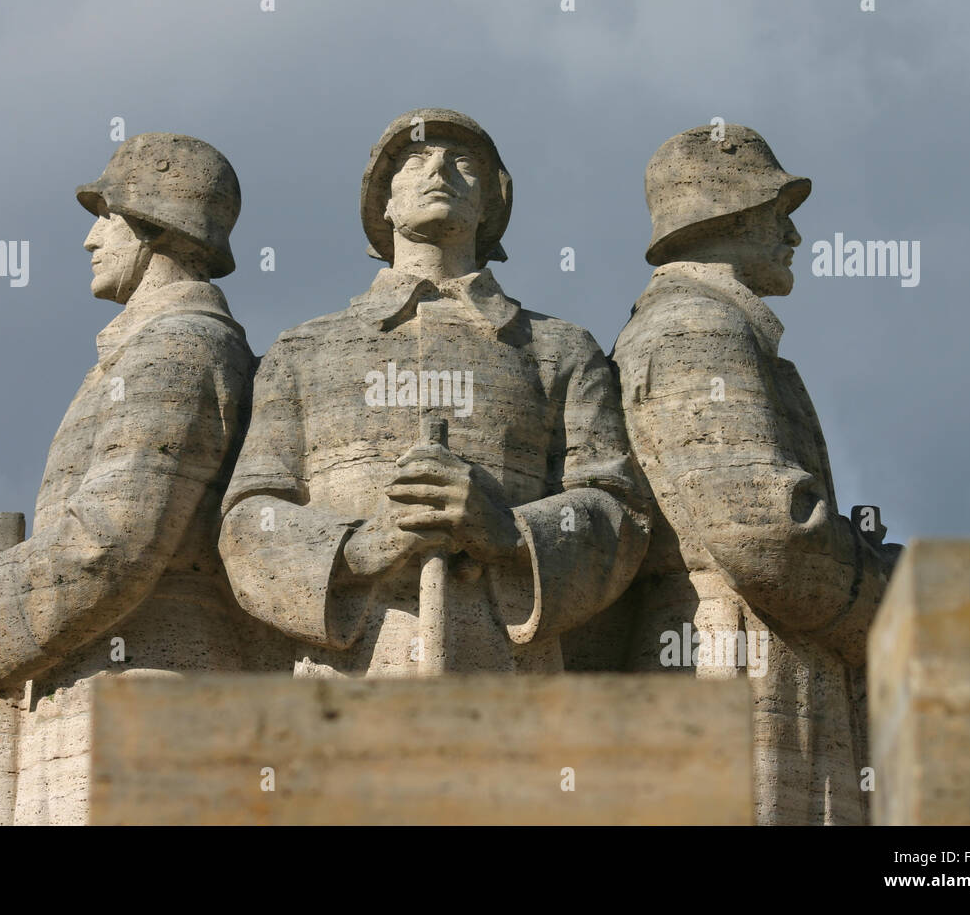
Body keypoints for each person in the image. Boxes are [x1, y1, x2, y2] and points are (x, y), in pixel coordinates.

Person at [219, 108, 651, 677]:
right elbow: (249, 517)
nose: (439, 169)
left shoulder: (560, 348)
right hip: (348, 675)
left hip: (509, 670)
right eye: (415, 159)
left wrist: (508, 533)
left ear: (491, 201)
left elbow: (617, 510)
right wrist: (354, 549)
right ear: (385, 202)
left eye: (464, 162)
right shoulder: (304, 349)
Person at [0, 133, 285, 824]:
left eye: (107, 215)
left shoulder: (180, 345)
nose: (90, 240)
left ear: (156, 224)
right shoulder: (142, 348)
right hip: (95, 678)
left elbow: (114, 540)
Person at [610, 124, 898, 824]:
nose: (792, 236)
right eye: (778, 213)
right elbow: (766, 535)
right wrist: (887, 596)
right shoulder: (697, 328)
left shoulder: (707, 325)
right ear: (728, 214)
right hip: (735, 656)